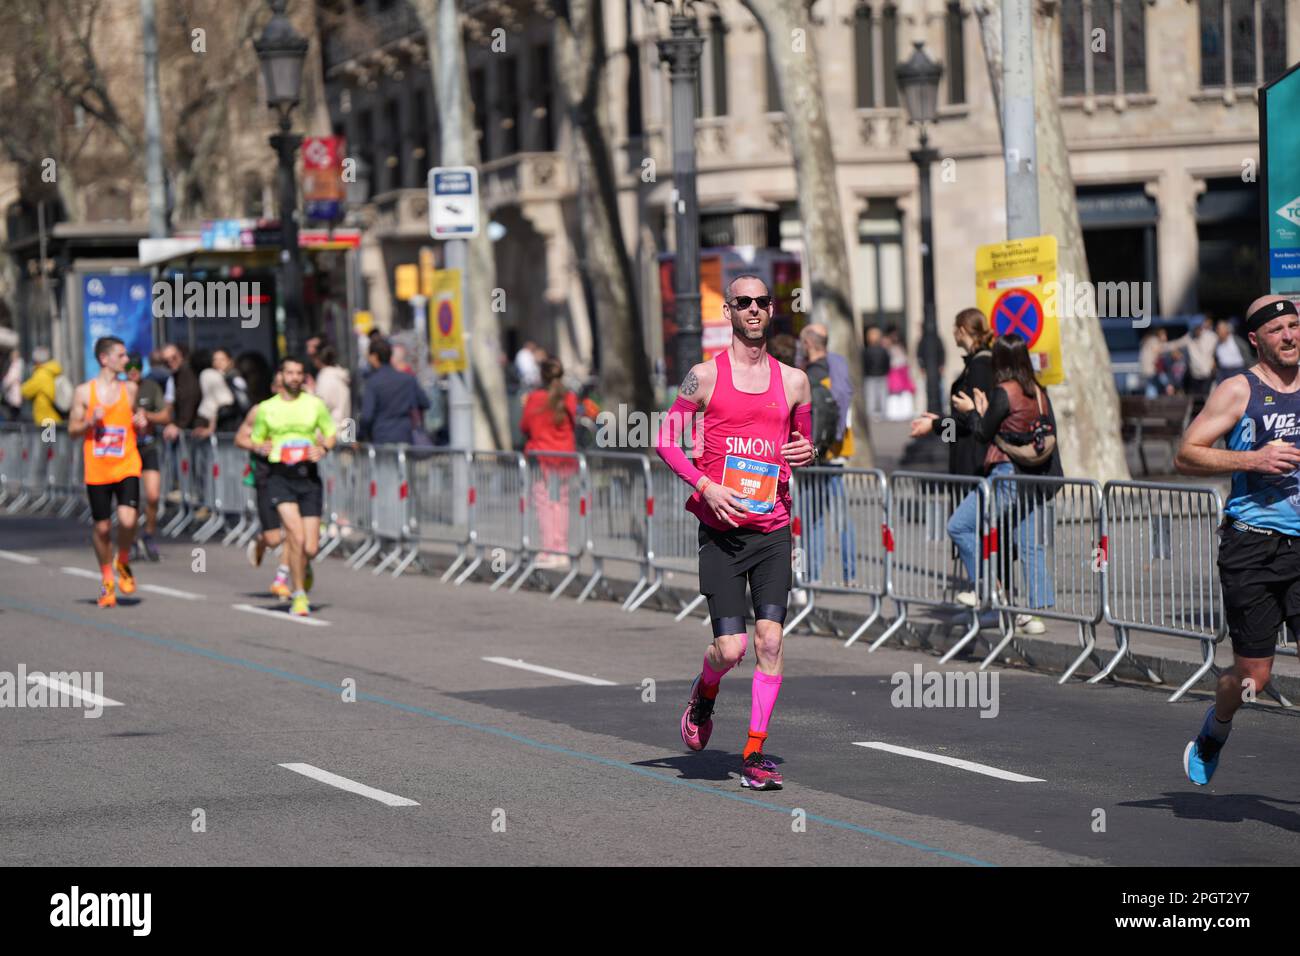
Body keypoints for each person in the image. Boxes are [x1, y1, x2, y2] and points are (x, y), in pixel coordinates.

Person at [654, 274, 815, 791]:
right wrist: (705, 484)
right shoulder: (701, 377)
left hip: (771, 527)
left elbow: (804, 445)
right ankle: (704, 693)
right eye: (742, 302)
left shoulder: (794, 382)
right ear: (728, 311)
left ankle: (754, 754)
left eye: (761, 302)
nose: (752, 309)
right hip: (721, 530)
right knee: (730, 650)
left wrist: (808, 453)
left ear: (772, 309)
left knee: (770, 639)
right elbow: (665, 439)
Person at [1175, 295, 1300, 785]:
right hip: (1253, 548)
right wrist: (1253, 460)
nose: (1289, 336)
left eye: (1295, 326)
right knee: (1254, 679)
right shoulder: (1238, 391)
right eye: (1277, 330)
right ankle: (1217, 727)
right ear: (1255, 339)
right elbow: (1187, 454)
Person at [948, 334, 1060, 635]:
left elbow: (984, 434)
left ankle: (983, 587)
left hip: (1005, 475)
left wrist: (972, 410)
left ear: (1000, 360)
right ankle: (1033, 614)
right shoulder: (1037, 391)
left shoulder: (1004, 392)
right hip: (1031, 476)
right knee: (1028, 544)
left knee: (959, 525)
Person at [248, 357, 337, 617]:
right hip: (280, 476)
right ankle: (299, 595)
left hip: (307, 477)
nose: (295, 377)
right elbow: (256, 438)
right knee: (295, 537)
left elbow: (330, 432)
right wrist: (259, 446)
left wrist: (323, 448)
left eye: (299, 373)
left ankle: (303, 565)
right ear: (281, 376)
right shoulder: (267, 408)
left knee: (310, 547)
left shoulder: (315, 405)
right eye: (290, 372)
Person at [67, 337, 146, 608]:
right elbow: (71, 430)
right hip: (98, 469)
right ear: (105, 359)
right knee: (102, 528)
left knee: (127, 520)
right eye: (121, 356)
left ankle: (122, 559)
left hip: (127, 463)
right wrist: (90, 420)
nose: (127, 360)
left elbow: (140, 423)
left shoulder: (131, 390)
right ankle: (107, 578)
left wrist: (142, 422)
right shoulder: (83, 392)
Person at [520, 358, 599, 570]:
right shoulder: (569, 398)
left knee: (545, 503)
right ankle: (560, 548)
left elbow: (525, 425)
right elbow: (573, 423)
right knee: (560, 502)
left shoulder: (535, 398)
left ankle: (550, 549)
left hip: (543, 456)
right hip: (564, 456)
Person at [798, 322, 857, 584]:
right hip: (834, 451)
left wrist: (827, 438)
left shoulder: (807, 372)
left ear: (808, 344)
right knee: (836, 516)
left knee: (816, 517)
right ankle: (848, 574)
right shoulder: (837, 366)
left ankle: (814, 574)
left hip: (819, 454)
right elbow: (844, 396)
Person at [911, 308, 995, 479]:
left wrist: (934, 425)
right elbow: (958, 424)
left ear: (962, 330)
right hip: (964, 455)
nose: (953, 334)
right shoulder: (976, 363)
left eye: (955, 329)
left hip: (974, 459)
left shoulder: (980, 365)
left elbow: (968, 420)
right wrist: (938, 424)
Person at [235, 371, 290, 598]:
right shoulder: (260, 410)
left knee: (295, 532)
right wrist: (257, 446)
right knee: (274, 538)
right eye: (279, 385)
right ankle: (261, 540)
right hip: (266, 474)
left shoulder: (303, 410)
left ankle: (282, 576)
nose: (283, 389)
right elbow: (240, 438)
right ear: (273, 388)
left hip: (293, 475)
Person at [125, 352, 170, 561]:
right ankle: (131, 539)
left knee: (152, 496)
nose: (133, 372)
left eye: (136, 368)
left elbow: (166, 414)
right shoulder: (119, 389)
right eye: (129, 368)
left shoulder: (151, 387)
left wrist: (148, 416)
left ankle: (149, 534)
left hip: (148, 446)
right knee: (131, 500)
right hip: (127, 450)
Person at [360, 339, 429, 445]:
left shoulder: (373, 383)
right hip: (405, 435)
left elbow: (366, 416)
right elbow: (425, 403)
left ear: (374, 357)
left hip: (381, 436)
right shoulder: (408, 379)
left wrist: (360, 436)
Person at [21, 345, 63, 425]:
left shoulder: (41, 374)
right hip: (56, 417)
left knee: (48, 438)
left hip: (46, 419)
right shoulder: (53, 371)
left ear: (37, 361)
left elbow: (25, 391)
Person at [313, 344, 351, 432]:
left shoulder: (325, 378)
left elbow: (321, 406)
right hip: (345, 429)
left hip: (331, 431)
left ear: (318, 359)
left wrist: (310, 393)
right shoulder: (340, 375)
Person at [884, 329, 916, 421]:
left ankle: (904, 412)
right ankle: (895, 413)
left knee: (904, 393)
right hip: (896, 373)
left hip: (901, 373)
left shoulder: (899, 348)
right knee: (895, 394)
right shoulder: (891, 349)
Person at [862, 326, 891, 421]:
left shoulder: (866, 351)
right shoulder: (883, 350)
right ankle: (883, 414)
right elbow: (887, 363)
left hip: (870, 376)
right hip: (881, 375)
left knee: (871, 396)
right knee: (882, 395)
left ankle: (872, 415)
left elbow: (864, 364)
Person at [1214, 319, 1250, 384]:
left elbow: (1247, 355)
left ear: (1226, 330)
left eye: (1219, 329)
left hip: (1238, 370)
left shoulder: (1237, 341)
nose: (1217, 331)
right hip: (1223, 372)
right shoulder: (1217, 343)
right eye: (1217, 329)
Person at [2, 347, 24, 421]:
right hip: (14, 393)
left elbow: (10, 379)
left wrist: (4, 384)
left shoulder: (16, 365)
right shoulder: (18, 365)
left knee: (14, 414)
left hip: (14, 393)